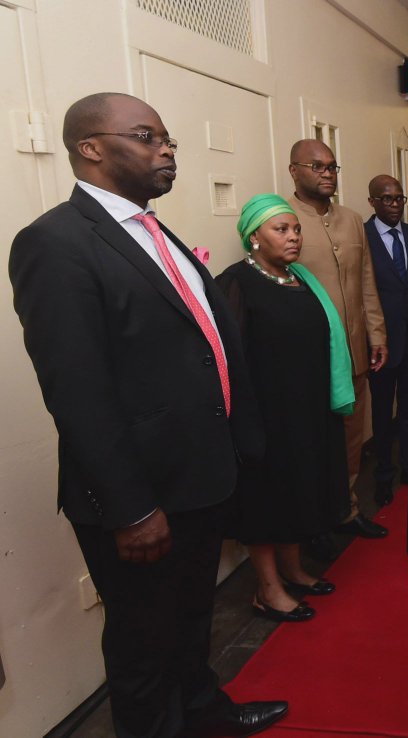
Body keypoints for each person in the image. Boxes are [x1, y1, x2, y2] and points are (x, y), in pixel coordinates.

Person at [9, 92, 287, 738]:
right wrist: (131, 506)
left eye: (168, 140)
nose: (166, 151)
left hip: (199, 479)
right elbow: (76, 390)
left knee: (191, 619)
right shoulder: (54, 244)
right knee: (142, 646)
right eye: (147, 137)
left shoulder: (154, 231)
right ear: (91, 149)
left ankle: (204, 714)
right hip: (141, 497)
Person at [216, 194, 355, 622]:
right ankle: (268, 589)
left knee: (300, 490)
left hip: (308, 409)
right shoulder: (236, 283)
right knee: (265, 500)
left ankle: (294, 571)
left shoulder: (301, 279)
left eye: (295, 229)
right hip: (266, 414)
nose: (293, 237)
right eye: (282, 229)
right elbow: (230, 357)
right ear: (254, 236)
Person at [287, 139, 388, 540]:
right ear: (294, 170)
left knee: (350, 438)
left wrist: (375, 333)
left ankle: (347, 510)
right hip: (309, 358)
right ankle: (313, 524)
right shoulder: (281, 217)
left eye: (332, 167)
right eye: (317, 166)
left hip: (354, 351)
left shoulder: (351, 219)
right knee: (312, 443)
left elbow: (366, 281)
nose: (327, 173)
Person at [363, 175, 408, 506]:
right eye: (387, 199)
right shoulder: (362, 238)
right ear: (372, 202)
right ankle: (382, 476)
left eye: (399, 199)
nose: (394, 205)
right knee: (380, 414)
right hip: (380, 342)